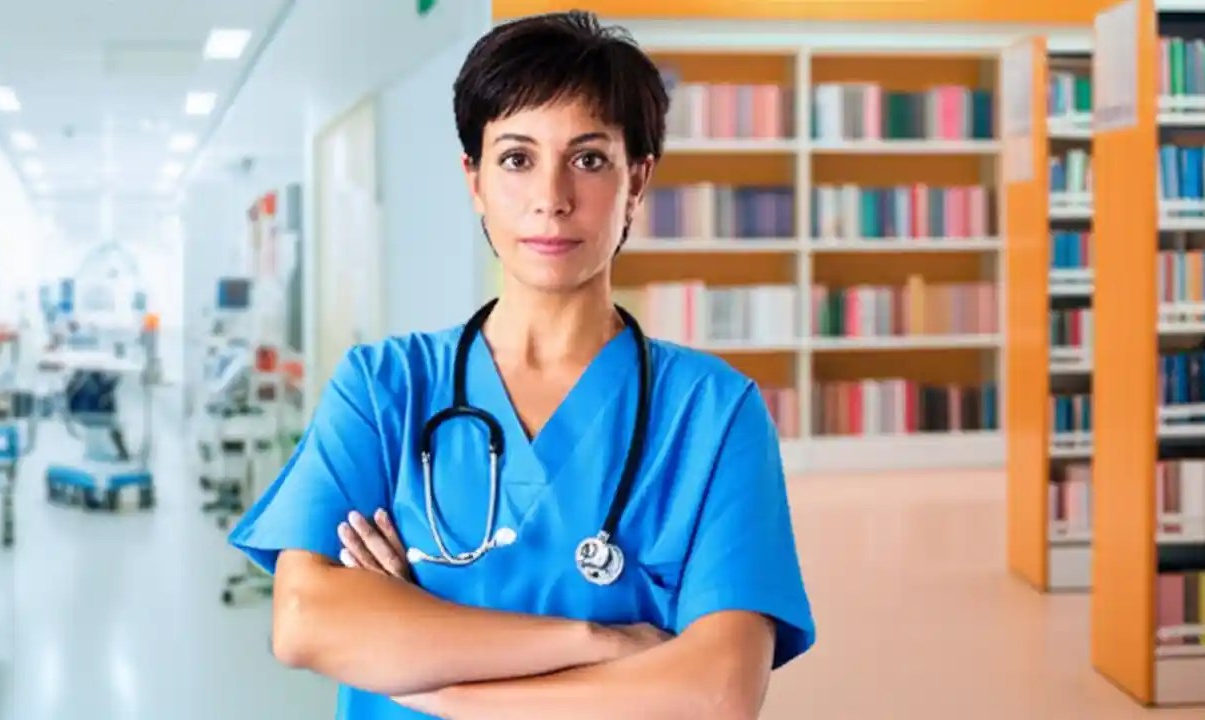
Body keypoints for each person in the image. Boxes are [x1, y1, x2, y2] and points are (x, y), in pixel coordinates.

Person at [228, 10, 815, 719]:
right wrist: (595, 638)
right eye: (516, 158)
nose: (551, 198)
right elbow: (303, 618)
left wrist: (438, 678)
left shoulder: (714, 414)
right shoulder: (384, 388)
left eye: (590, 158)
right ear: (473, 179)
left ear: (638, 180)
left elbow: (717, 692)